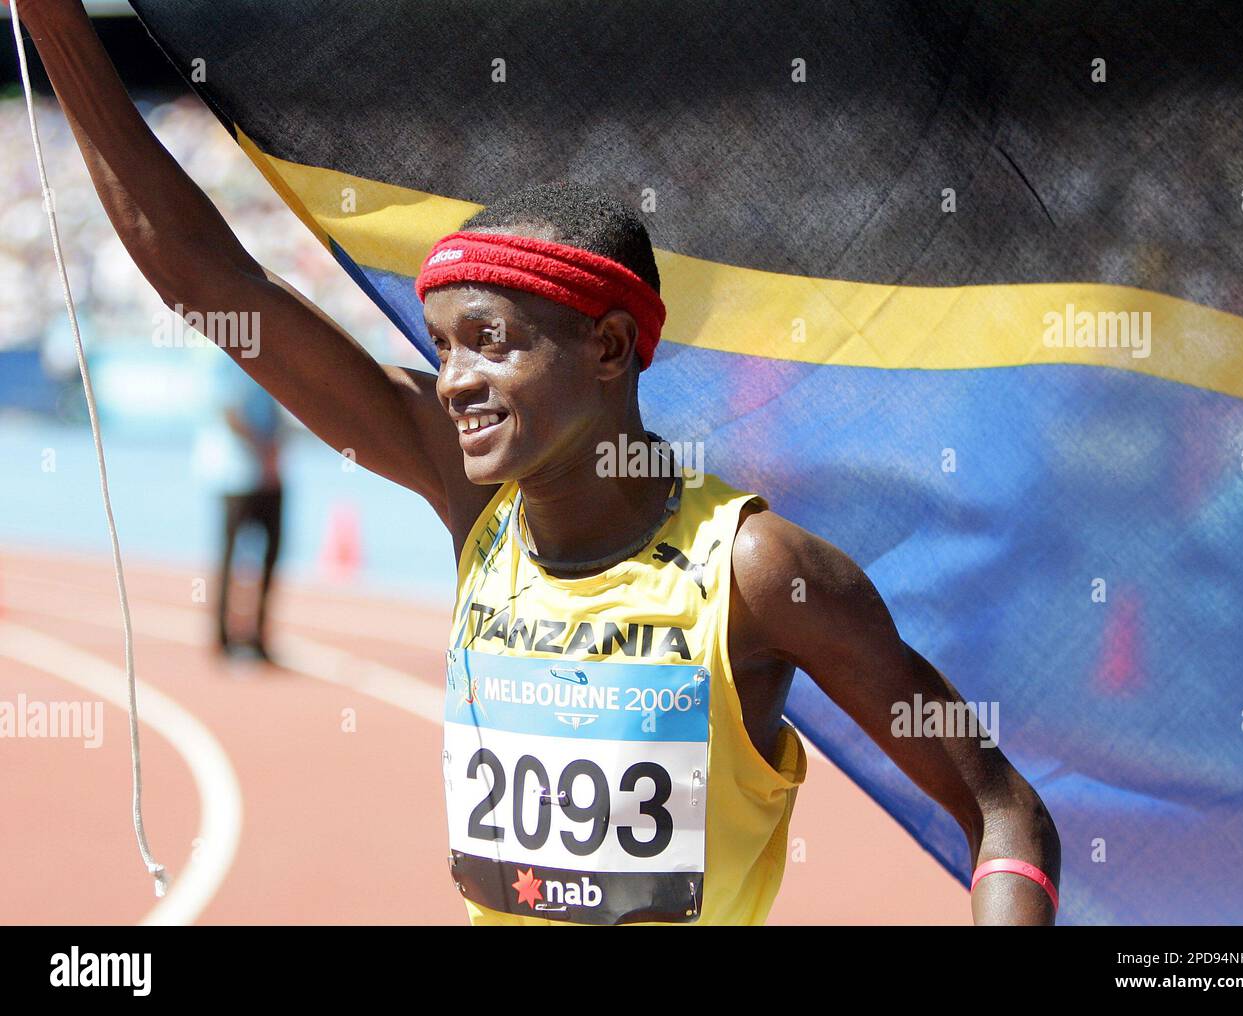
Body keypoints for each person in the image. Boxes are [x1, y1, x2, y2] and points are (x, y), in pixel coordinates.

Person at [16, 0, 1060, 925]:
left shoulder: (756, 571)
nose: (456, 379)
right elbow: (205, 279)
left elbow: (1001, 807)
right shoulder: (471, 496)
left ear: (608, 348)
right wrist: (57, 23)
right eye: (441, 348)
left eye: (491, 342)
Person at [193, 353, 285, 662]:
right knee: (230, 558)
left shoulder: (269, 356)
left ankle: (258, 636)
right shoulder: (223, 359)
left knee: (270, 556)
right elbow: (230, 412)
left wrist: (275, 450)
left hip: (269, 475)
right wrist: (264, 450)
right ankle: (222, 637)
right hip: (234, 474)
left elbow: (276, 412)